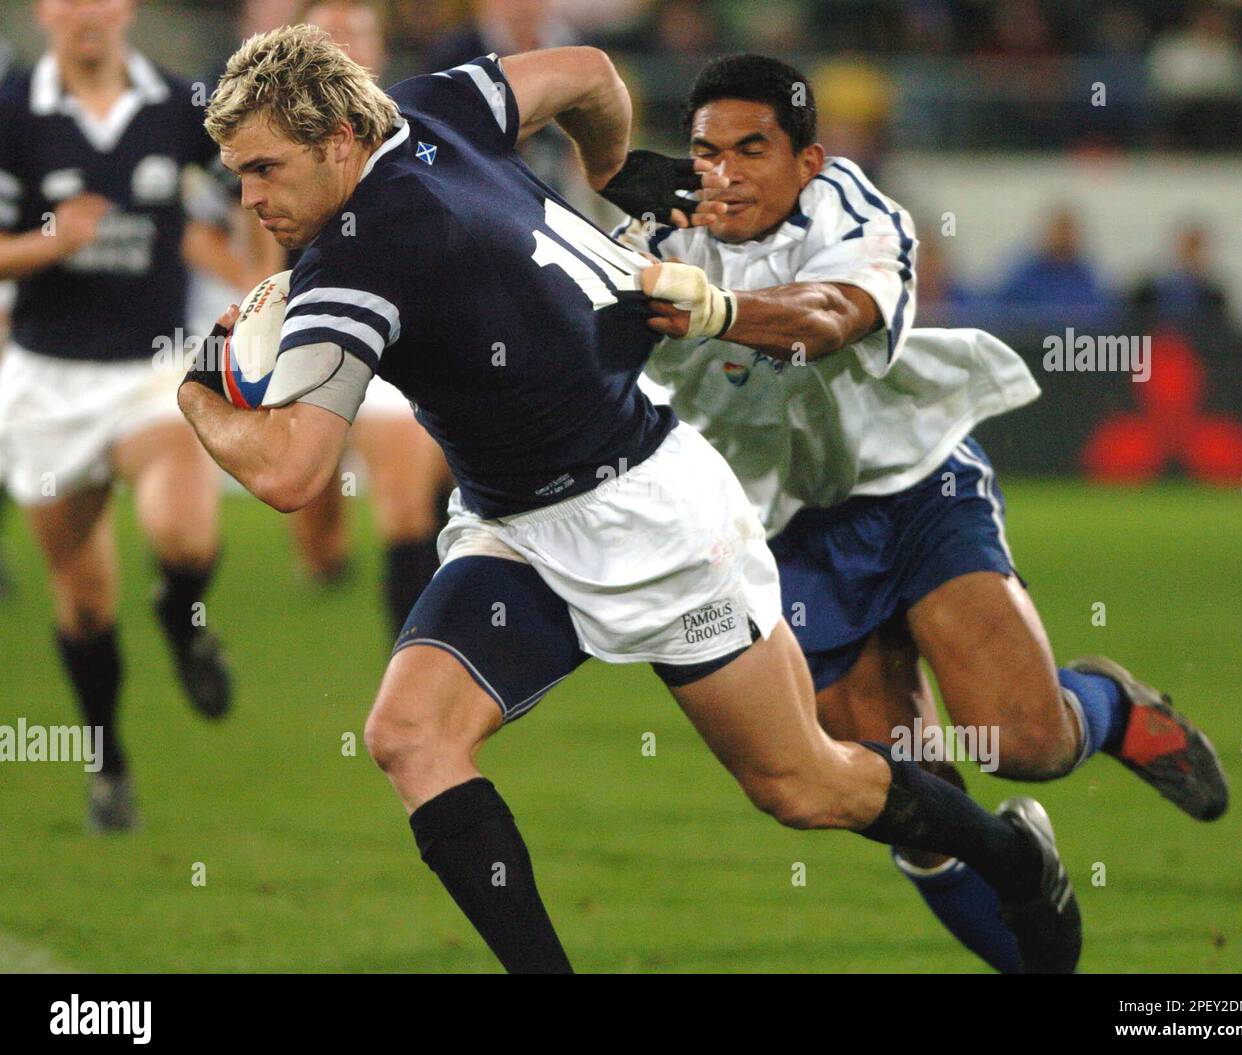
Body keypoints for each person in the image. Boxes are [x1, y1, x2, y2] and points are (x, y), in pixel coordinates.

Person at [181, 26, 1081, 973]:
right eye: (237, 174)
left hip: (656, 514)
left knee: (801, 784)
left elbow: (288, 473)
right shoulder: (430, 107)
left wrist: (199, 395)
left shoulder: (354, 264)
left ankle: (1007, 851)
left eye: (265, 170)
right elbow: (589, 73)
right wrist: (610, 162)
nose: (250, 199)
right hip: (517, 525)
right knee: (410, 737)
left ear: (336, 143)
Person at [615, 53, 1229, 973]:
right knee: (912, 795)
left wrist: (716, 309)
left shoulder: (858, 212)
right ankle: (1035, 945)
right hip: (782, 529)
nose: (728, 173)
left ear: (808, 160)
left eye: (754, 149)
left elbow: (827, 317)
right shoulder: (655, 241)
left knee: (1023, 742)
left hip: (915, 486)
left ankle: (1111, 707)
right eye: (707, 152)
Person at [0, 0, 240, 831]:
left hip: (155, 370)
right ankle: (108, 763)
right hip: (44, 386)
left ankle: (184, 623)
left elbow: (253, 181)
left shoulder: (186, 105)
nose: (87, 12)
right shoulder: (10, 110)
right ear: (45, 11)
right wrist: (45, 245)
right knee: (87, 603)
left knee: (185, 537)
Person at [287, 0, 453, 634]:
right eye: (333, 35)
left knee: (407, 508)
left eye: (360, 32)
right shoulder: (275, 141)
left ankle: (413, 689)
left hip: (416, 339)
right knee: (327, 549)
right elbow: (234, 235)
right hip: (329, 338)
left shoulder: (425, 129)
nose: (349, 45)